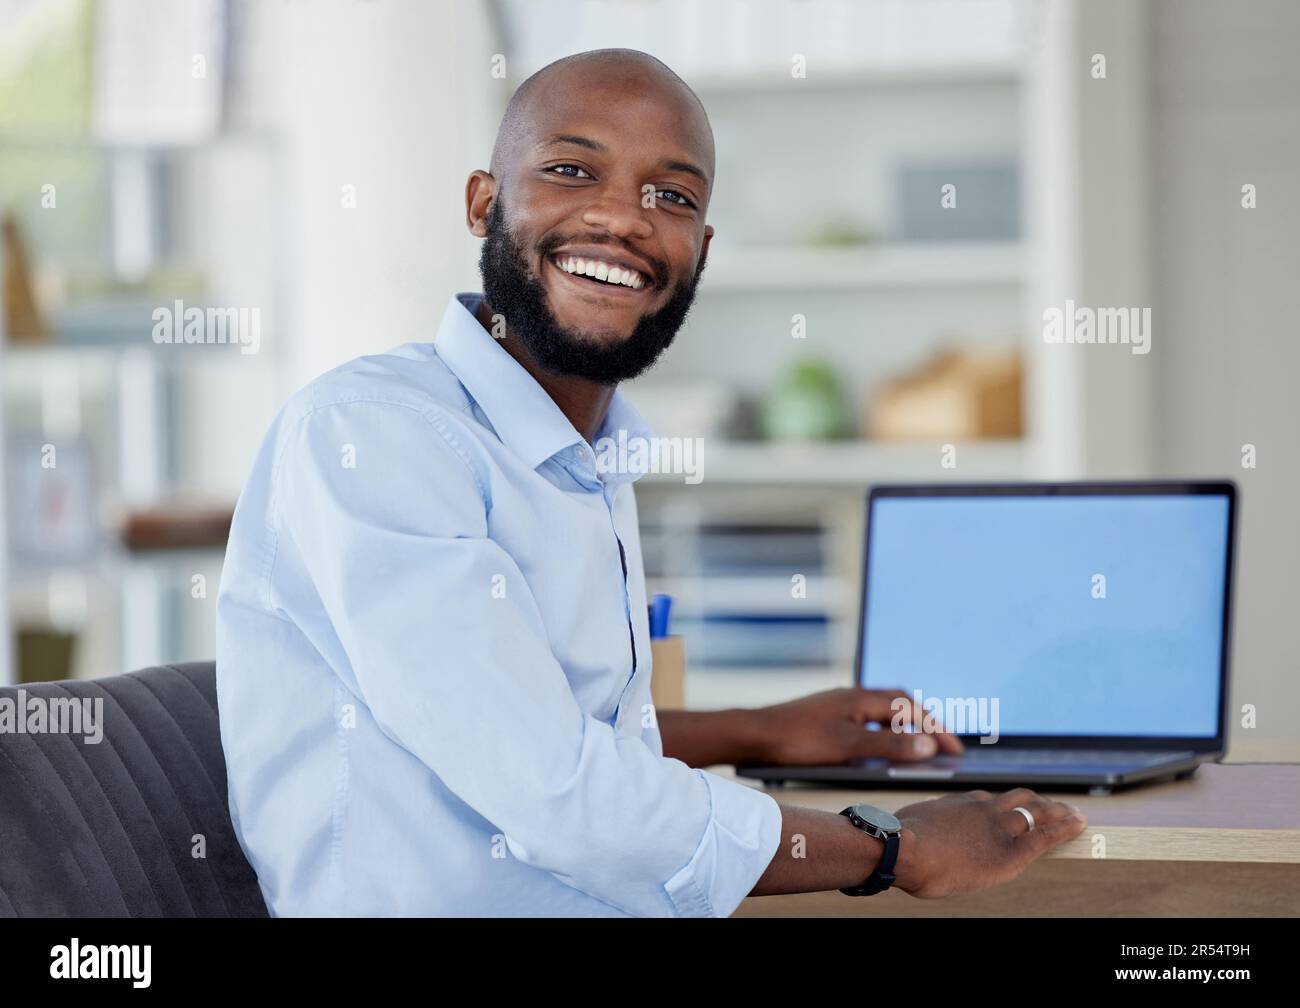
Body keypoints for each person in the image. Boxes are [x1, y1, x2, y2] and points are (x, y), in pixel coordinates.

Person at [216, 48, 1086, 917]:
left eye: (670, 196)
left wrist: (760, 727)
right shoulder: (378, 435)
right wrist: (888, 848)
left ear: (698, 250)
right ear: (485, 203)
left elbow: (544, 725)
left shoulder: (587, 452)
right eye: (571, 170)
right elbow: (559, 795)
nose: (622, 218)